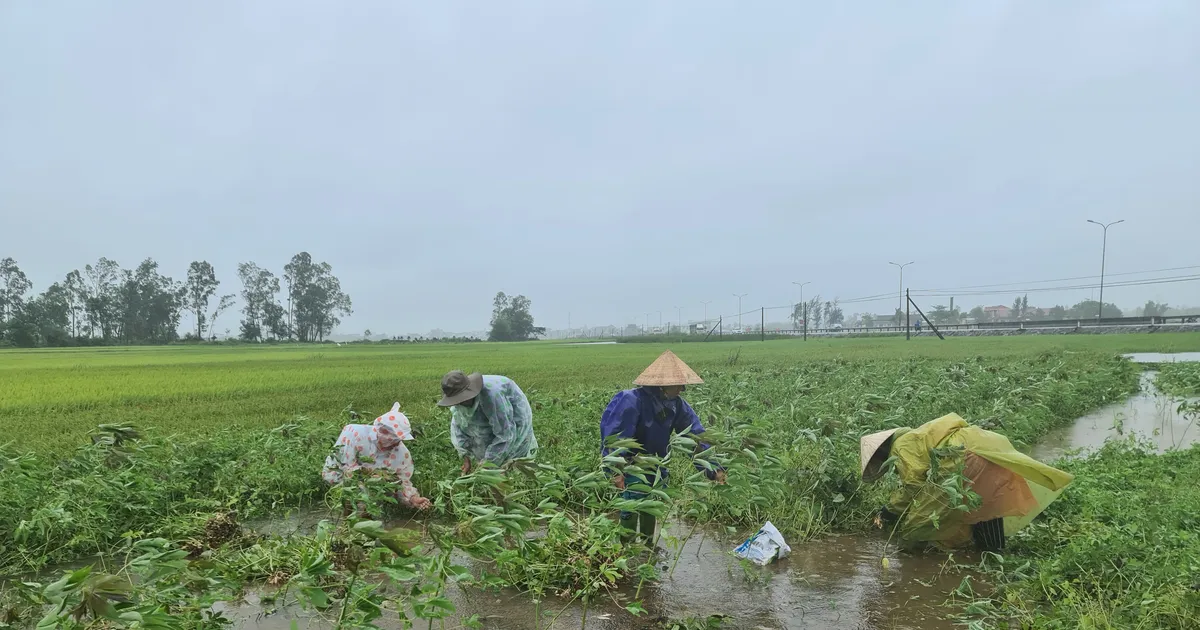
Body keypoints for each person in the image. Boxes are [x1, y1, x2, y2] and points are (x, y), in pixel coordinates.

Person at [860, 413, 1073, 551]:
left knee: (919, 523)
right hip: (986, 448)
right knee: (986, 502)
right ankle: (992, 555)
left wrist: (888, 511)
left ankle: (920, 557)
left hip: (962, 458)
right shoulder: (917, 434)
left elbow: (913, 486)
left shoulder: (902, 446)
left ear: (882, 450)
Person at [600, 350, 725, 542]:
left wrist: (714, 468)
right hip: (631, 465)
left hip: (655, 466)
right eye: (678, 384)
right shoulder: (631, 401)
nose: (682, 388)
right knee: (631, 507)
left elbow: (695, 437)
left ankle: (648, 549)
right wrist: (615, 470)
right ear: (662, 386)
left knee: (650, 506)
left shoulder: (677, 405)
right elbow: (615, 436)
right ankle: (626, 552)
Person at [323, 402, 432, 511]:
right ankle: (349, 516)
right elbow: (346, 467)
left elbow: (402, 482)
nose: (396, 444)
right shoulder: (355, 435)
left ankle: (364, 515)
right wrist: (372, 474)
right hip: (340, 475)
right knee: (353, 503)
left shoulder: (402, 455)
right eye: (394, 440)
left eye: (398, 440)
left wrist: (413, 498)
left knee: (368, 507)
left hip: (370, 487)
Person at [438, 371, 538, 473]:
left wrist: (488, 464)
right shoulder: (459, 404)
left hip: (513, 412)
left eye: (462, 400)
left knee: (512, 453)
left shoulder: (493, 396)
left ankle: (513, 472)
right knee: (482, 438)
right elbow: (459, 426)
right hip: (494, 406)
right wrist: (466, 457)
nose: (460, 403)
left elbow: (505, 435)